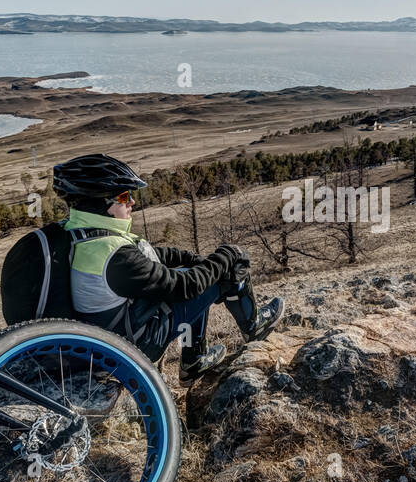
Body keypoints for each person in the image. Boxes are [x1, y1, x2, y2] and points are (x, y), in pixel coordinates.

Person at [51, 153, 283, 382]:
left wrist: (190, 258)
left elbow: (148, 259)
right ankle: (254, 325)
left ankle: (194, 360)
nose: (132, 201)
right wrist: (228, 255)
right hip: (135, 344)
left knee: (192, 273)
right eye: (124, 196)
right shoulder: (113, 254)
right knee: (216, 272)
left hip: (109, 335)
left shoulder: (80, 236)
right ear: (101, 204)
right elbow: (185, 288)